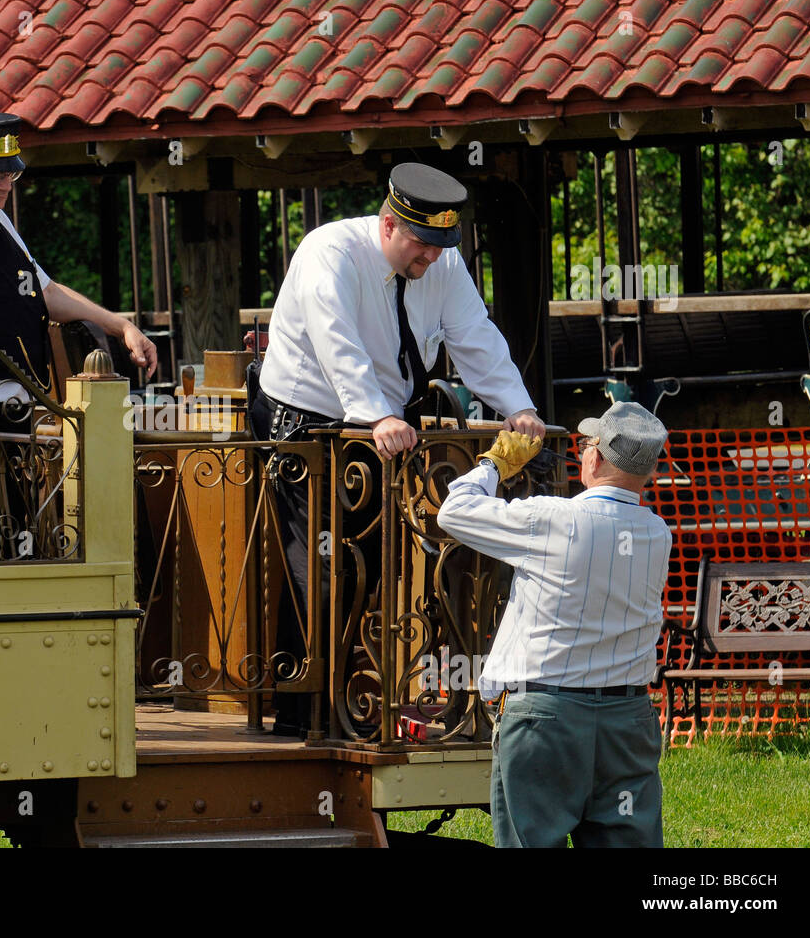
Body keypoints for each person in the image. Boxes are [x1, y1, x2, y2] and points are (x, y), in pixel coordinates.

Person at [248, 162, 546, 735]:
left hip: (383, 432)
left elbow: (475, 336)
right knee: (321, 566)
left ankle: (354, 707)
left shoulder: (442, 261)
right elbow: (339, 343)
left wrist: (518, 406)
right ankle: (302, 716)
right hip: (308, 427)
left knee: (375, 569)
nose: (432, 257)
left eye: (441, 245)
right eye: (422, 243)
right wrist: (376, 412)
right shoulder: (328, 251)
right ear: (388, 224)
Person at [436, 402, 671, 847]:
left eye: (587, 444)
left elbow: (454, 512)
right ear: (649, 470)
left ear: (595, 458)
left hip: (547, 718)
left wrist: (494, 463)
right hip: (627, 721)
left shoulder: (552, 519)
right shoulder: (658, 533)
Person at [0, 112, 157, 440]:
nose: (5, 185)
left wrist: (121, 326)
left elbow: (45, 292)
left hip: (5, 411)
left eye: (11, 175)